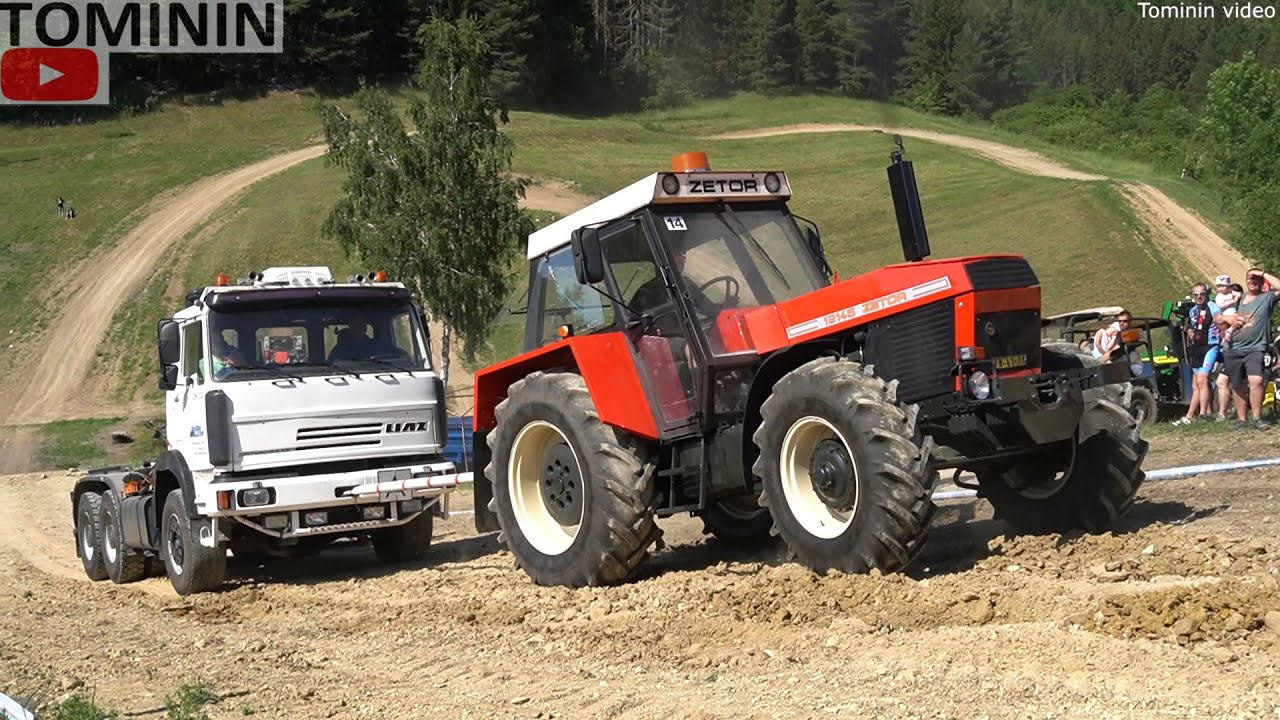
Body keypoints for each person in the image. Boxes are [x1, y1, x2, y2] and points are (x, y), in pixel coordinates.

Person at [1218, 267, 1280, 429]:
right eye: (1250, 278)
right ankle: (1242, 419)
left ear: (1261, 281)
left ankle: (1257, 418)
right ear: (1246, 281)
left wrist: (1263, 273)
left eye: (1256, 279)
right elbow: (1216, 317)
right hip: (1233, 348)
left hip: (1255, 347)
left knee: (1256, 380)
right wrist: (1228, 318)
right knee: (1237, 384)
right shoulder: (1238, 299)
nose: (1252, 281)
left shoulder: (1267, 298)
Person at [1172, 283, 1220, 426]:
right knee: (1196, 383)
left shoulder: (1213, 307)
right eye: (1196, 294)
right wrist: (1190, 333)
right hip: (1196, 347)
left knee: (1203, 379)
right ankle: (1203, 413)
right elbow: (1191, 328)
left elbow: (1220, 321)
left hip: (1210, 345)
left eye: (1202, 294)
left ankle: (1202, 413)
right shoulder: (1193, 311)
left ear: (1207, 294)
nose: (1199, 297)